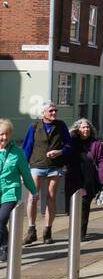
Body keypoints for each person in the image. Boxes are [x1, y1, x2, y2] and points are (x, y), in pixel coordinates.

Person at [22, 102, 72, 245]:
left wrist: (60, 152)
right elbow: (27, 147)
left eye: (55, 110)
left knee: (51, 197)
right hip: (37, 165)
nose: (54, 113)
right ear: (43, 112)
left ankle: (47, 231)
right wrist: (23, 169)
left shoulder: (60, 125)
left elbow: (69, 144)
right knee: (33, 197)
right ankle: (31, 230)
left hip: (54, 166)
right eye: (51, 111)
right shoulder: (34, 126)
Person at [65, 118, 103, 240]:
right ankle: (74, 229)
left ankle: (81, 232)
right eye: (83, 127)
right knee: (73, 206)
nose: (86, 129)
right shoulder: (71, 142)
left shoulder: (96, 144)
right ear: (77, 129)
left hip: (89, 179)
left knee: (84, 205)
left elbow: (102, 163)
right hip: (73, 178)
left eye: (88, 127)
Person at [0, 119, 36, 261]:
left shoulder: (17, 153)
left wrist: (34, 191)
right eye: (1, 134)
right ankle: (7, 245)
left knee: (0, 220)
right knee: (1, 224)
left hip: (10, 193)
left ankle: (4, 247)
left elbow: (26, 174)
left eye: (7, 134)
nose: (4, 137)